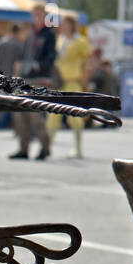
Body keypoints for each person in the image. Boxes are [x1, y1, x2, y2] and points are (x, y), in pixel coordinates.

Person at [9, 2, 56, 159]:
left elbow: (50, 58)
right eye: (34, 14)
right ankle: (24, 148)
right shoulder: (30, 35)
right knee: (21, 115)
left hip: (40, 78)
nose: (35, 18)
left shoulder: (49, 35)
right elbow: (24, 56)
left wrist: (36, 65)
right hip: (26, 77)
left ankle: (45, 147)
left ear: (44, 15)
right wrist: (19, 66)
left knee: (36, 115)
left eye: (38, 14)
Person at [46, 13, 90, 158]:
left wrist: (84, 79)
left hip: (72, 81)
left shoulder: (80, 41)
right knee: (52, 114)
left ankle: (78, 147)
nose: (62, 26)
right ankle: (48, 145)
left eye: (65, 23)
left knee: (74, 115)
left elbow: (88, 61)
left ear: (72, 25)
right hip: (58, 81)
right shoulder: (60, 40)